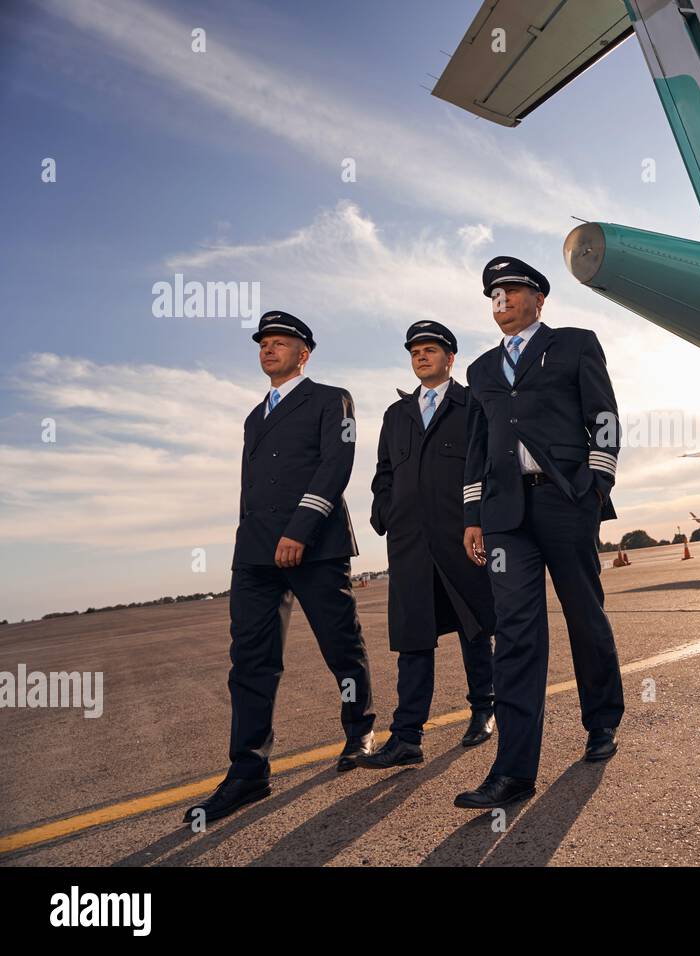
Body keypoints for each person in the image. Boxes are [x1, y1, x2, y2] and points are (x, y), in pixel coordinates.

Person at [184, 311, 375, 826]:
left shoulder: (332, 398)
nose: (269, 349)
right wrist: (249, 544)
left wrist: (300, 528)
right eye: (264, 343)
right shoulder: (254, 416)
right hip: (254, 555)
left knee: (340, 644)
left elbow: (336, 464)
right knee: (250, 661)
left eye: (280, 342)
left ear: (303, 353)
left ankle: (359, 728)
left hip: (313, 544)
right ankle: (248, 772)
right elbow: (252, 488)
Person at [454, 256, 624, 811]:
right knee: (518, 634)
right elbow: (477, 447)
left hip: (565, 500)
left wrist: (597, 482)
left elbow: (604, 414)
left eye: (510, 290)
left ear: (538, 298)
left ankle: (601, 721)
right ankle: (513, 771)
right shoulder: (479, 370)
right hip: (505, 515)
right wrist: (472, 515)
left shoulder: (575, 344)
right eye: (493, 295)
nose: (500, 301)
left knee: (584, 614)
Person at [361, 320, 496, 768]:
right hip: (409, 544)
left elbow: (486, 463)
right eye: (415, 351)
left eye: (431, 350)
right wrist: (385, 512)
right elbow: (383, 472)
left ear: (450, 357)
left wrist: (480, 520)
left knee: (473, 626)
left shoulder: (470, 403)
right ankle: (406, 737)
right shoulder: (395, 416)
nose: (421, 356)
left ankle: (484, 708)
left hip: (460, 537)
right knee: (413, 637)